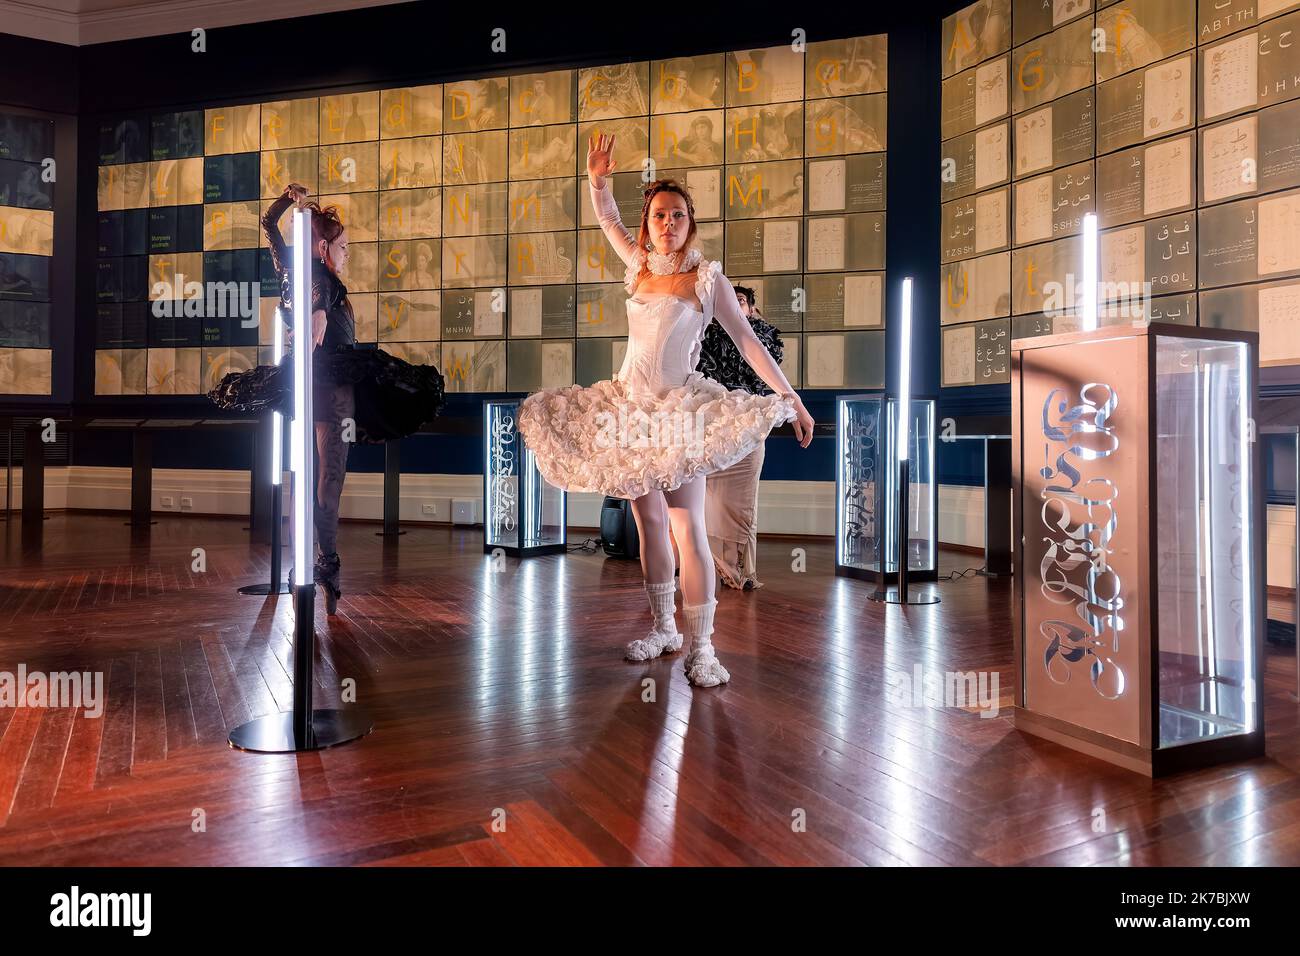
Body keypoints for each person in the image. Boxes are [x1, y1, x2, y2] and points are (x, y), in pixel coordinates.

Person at [516, 134, 815, 687]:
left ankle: (702, 647)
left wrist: (791, 397)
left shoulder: (707, 279)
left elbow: (748, 342)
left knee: (686, 528)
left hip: (677, 414)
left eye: (677, 214)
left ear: (690, 223)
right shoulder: (638, 267)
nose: (667, 222)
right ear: (649, 221)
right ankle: (664, 628)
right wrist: (598, 180)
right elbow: (608, 222)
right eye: (658, 214)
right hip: (629, 408)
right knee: (647, 522)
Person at [209, 182, 445, 614]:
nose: (346, 255)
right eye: (343, 248)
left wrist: (284, 201)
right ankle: (326, 563)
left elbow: (268, 224)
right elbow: (324, 289)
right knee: (328, 480)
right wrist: (318, 309)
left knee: (312, 479)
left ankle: (316, 561)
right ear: (323, 247)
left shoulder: (289, 269)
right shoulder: (321, 278)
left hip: (306, 386)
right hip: (332, 389)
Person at [696, 285, 784, 591]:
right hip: (709, 430)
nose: (735, 305)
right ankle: (709, 566)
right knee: (708, 502)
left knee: (742, 503)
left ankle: (740, 571)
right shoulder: (701, 337)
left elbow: (761, 378)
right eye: (729, 301)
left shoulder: (764, 340)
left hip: (747, 431)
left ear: (751, 310)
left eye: (741, 301)